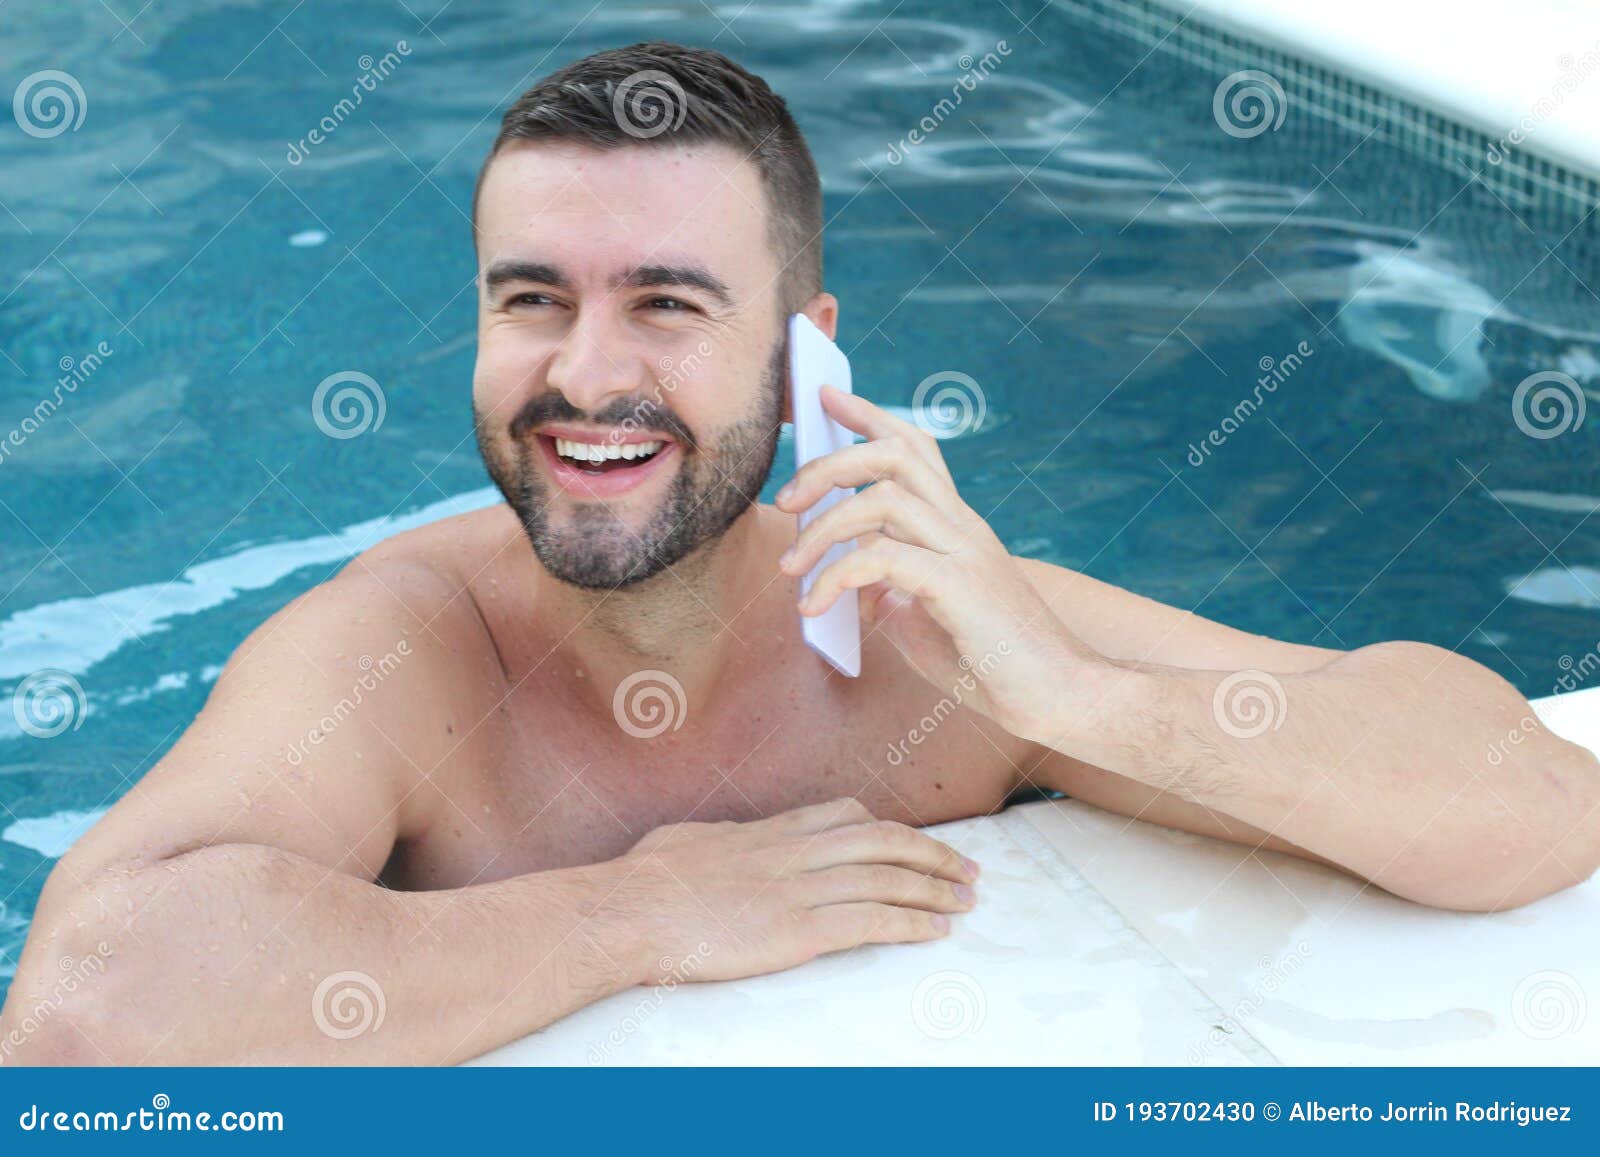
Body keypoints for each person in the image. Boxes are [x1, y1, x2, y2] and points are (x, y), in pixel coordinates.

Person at [4, 42, 1596, 1066]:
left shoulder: (929, 633)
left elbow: (1535, 804)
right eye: (531, 297)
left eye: (669, 304)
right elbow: (86, 1008)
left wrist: (1091, 702)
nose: (583, 373)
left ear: (806, 361)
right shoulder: (402, 651)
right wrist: (638, 916)